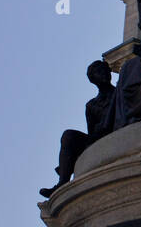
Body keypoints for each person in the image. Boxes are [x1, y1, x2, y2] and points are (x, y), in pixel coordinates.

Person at [40, 60, 115, 197]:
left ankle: (68, 165)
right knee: (69, 135)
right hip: (98, 137)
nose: (103, 74)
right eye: (98, 72)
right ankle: (62, 181)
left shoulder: (119, 93)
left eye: (104, 70)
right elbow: (91, 131)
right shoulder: (91, 105)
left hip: (115, 132)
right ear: (93, 80)